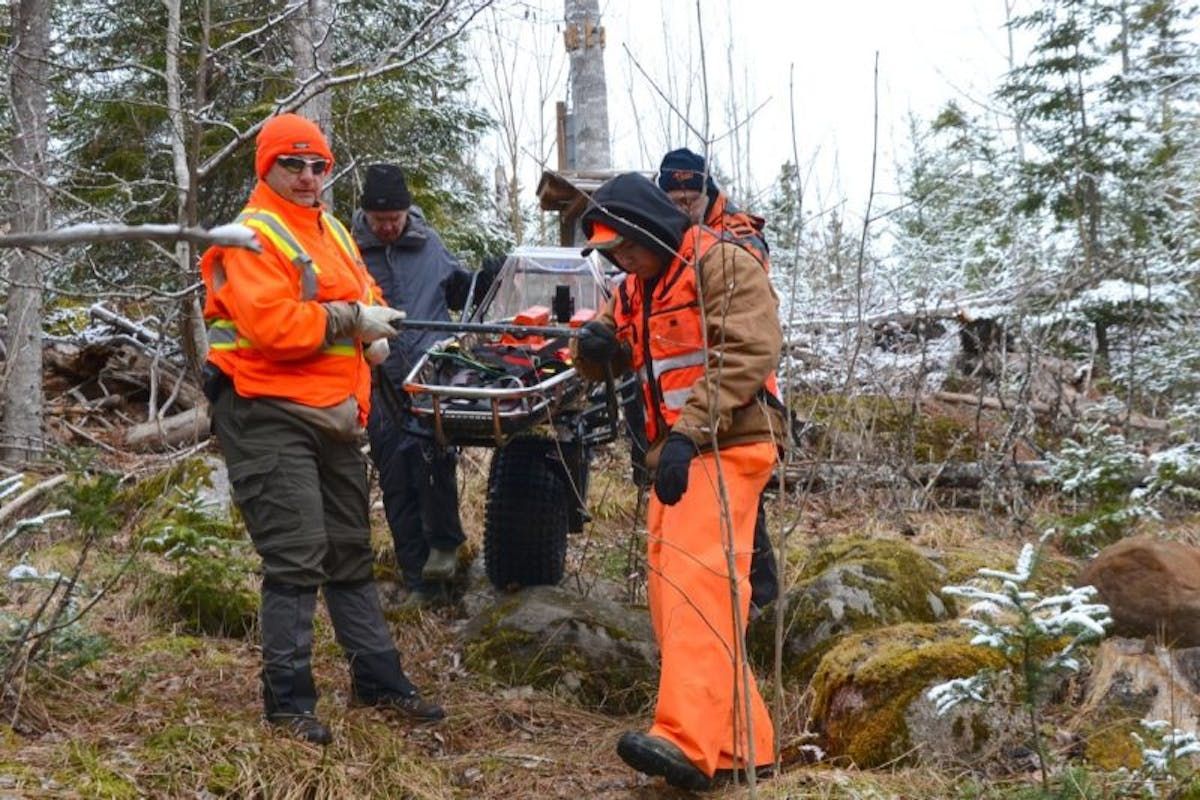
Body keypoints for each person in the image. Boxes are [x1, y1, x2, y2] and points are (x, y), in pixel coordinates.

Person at [200, 114, 444, 745]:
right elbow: (275, 327)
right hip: (265, 411)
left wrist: (372, 340)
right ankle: (288, 704)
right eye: (294, 164)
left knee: (348, 552)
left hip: (333, 416)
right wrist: (351, 320)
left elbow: (360, 293)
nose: (308, 177)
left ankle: (378, 680)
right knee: (295, 554)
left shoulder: (330, 227)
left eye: (319, 166)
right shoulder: (250, 233)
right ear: (267, 167)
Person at [573, 172, 785, 790]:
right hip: (678, 452)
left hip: (728, 442)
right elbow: (604, 360)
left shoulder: (723, 263)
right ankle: (744, 744)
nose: (620, 261)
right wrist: (591, 347)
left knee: (697, 587)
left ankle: (687, 743)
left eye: (625, 249)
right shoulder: (634, 288)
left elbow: (750, 349)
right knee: (679, 595)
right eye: (612, 255)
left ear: (651, 230)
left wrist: (691, 431)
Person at [351, 163, 495, 606]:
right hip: (379, 383)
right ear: (367, 218)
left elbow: (458, 293)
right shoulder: (350, 250)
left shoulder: (428, 243)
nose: (389, 227)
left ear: (406, 212)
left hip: (432, 380)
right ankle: (415, 578)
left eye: (394, 219)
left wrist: (482, 282)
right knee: (395, 477)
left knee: (434, 468)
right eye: (380, 222)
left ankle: (446, 557)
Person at [657, 147, 780, 613]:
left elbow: (746, 326)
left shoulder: (737, 240)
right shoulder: (664, 239)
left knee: (742, 506)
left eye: (690, 197)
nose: (682, 206)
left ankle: (760, 604)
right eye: (674, 198)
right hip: (685, 400)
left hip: (738, 392)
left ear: (707, 193)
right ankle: (712, 601)